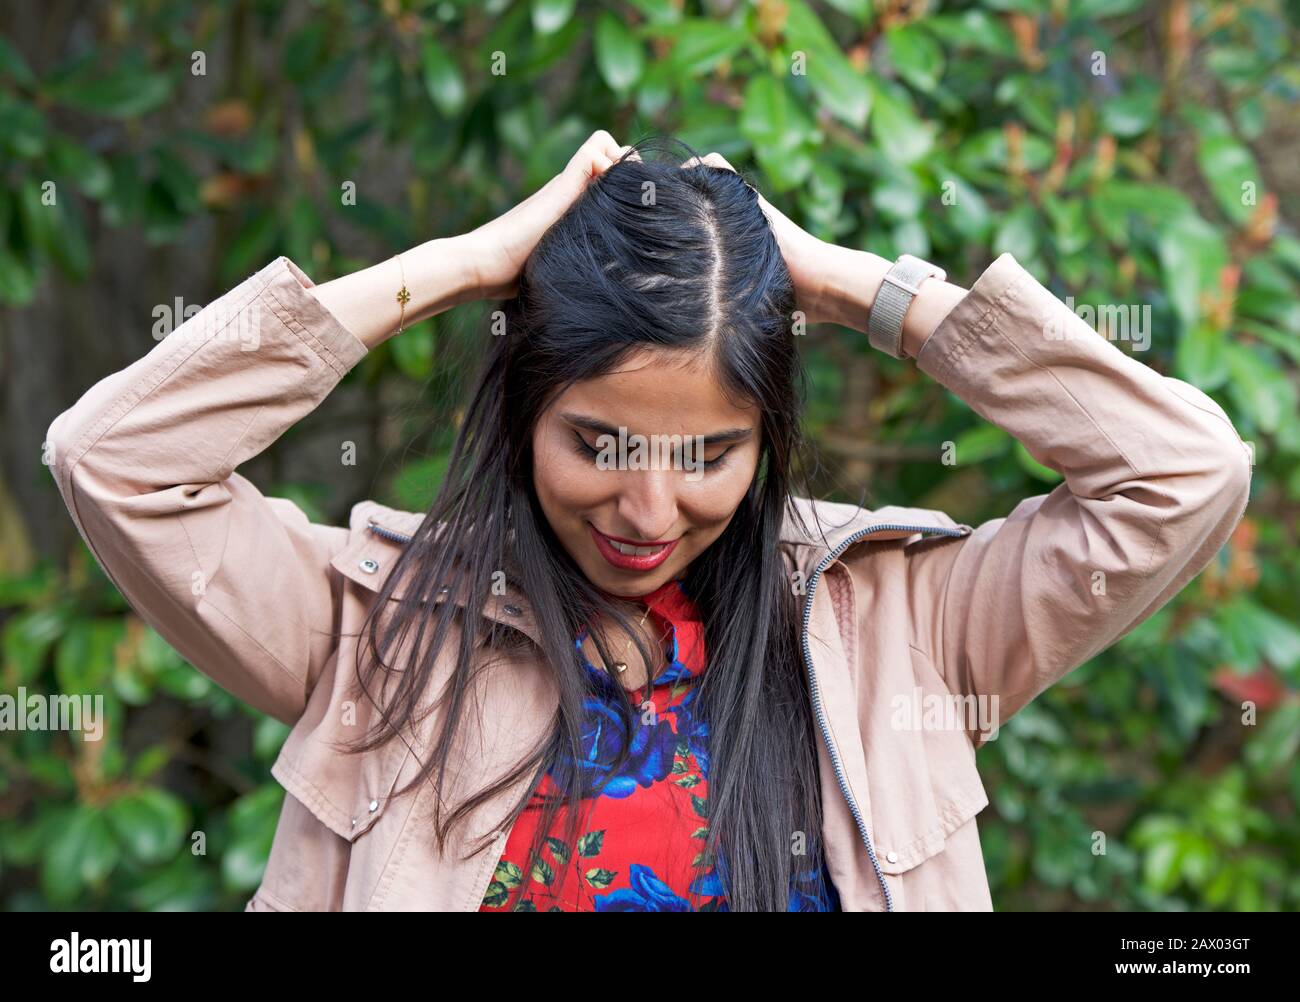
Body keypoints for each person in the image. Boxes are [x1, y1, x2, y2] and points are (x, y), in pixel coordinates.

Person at [45, 131, 1251, 912]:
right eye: (599, 444)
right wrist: (462, 265)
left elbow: (1181, 473)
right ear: (524, 415)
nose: (647, 509)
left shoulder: (905, 630)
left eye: (709, 454)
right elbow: (115, 459)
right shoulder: (372, 628)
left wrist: (853, 288)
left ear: (765, 442)